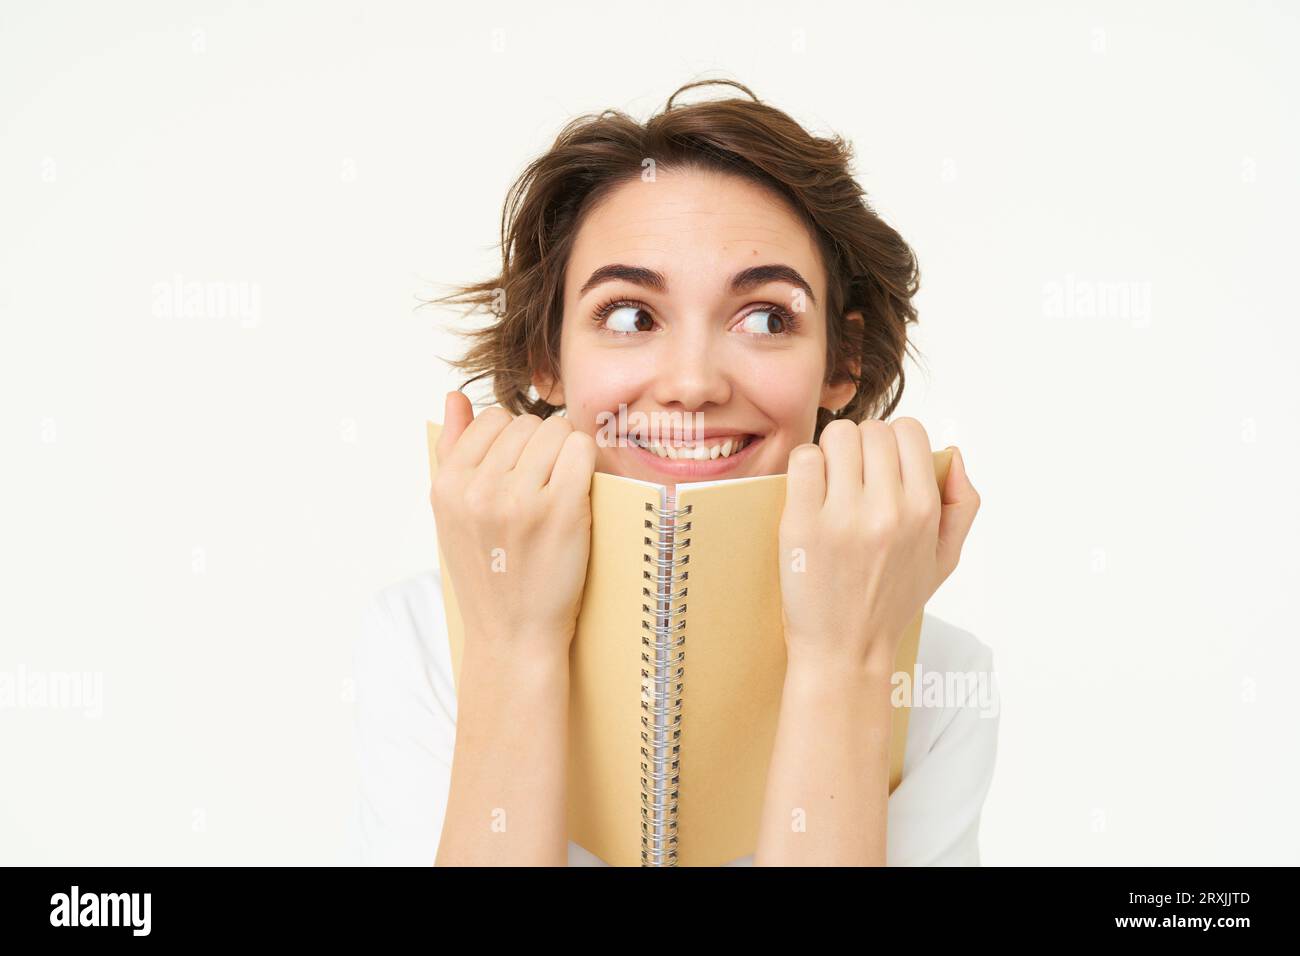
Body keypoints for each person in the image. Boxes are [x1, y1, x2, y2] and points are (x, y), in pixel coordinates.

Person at [346, 79, 999, 866]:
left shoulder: (936, 676)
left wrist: (848, 660)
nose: (693, 383)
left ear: (843, 361)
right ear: (545, 360)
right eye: (630, 316)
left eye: (766, 317)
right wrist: (511, 646)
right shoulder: (421, 640)